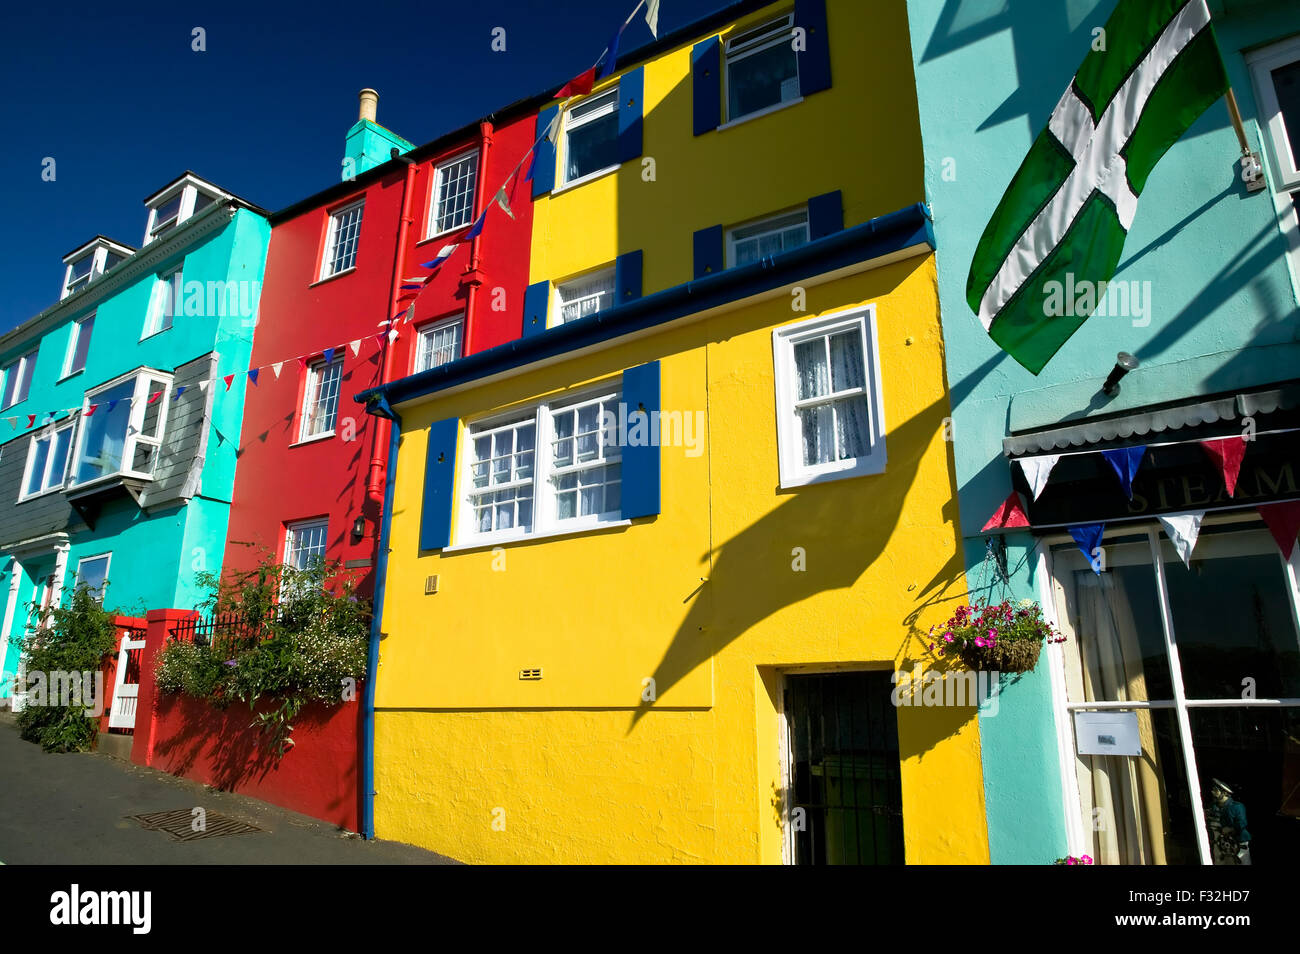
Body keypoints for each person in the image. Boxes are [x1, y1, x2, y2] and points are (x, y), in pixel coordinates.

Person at [1207, 778, 1251, 865]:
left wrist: (1230, 829)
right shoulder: (1214, 807)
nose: (1213, 792)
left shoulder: (1237, 807)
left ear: (1224, 793)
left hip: (1238, 843)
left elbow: (1242, 823)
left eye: (1216, 790)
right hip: (1220, 843)